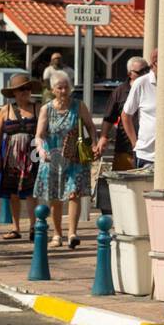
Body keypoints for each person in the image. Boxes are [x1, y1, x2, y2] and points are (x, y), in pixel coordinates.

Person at [34, 70, 96, 248]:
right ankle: (57, 234)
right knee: (55, 196)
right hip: (53, 157)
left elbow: (91, 126)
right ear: (53, 90)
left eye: (66, 87)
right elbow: (39, 135)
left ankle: (72, 233)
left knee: (74, 193)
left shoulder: (78, 105)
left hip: (75, 156)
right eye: (59, 88)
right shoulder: (47, 109)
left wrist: (93, 143)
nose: (63, 91)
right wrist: (40, 149)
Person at [0, 72, 40, 241]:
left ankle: (34, 226)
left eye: (26, 88)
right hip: (11, 156)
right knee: (13, 193)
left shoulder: (37, 108)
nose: (24, 92)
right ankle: (16, 228)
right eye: (20, 90)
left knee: (32, 192)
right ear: (13, 93)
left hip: (32, 155)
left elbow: (45, 132)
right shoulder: (5, 110)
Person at [97, 56, 148, 171]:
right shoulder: (120, 92)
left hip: (148, 148)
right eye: (141, 72)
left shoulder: (152, 88)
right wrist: (103, 137)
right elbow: (109, 117)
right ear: (130, 74)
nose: (145, 74)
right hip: (125, 149)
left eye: (147, 70)